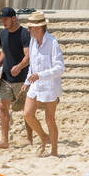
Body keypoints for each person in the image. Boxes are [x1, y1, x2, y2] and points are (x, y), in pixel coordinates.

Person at [0, 7, 32, 150]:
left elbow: (28, 56)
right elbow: (4, 51)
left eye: (6, 19)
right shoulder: (3, 34)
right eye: (2, 20)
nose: (4, 22)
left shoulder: (25, 34)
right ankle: (4, 140)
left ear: (13, 18)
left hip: (23, 78)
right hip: (6, 77)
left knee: (27, 110)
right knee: (3, 107)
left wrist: (19, 66)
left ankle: (29, 138)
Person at [22, 11, 64, 157]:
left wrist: (39, 75)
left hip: (50, 86)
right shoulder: (33, 42)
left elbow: (60, 68)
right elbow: (32, 65)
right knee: (27, 114)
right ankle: (43, 137)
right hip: (35, 84)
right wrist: (27, 81)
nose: (28, 30)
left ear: (39, 28)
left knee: (50, 119)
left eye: (31, 28)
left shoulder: (52, 43)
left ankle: (54, 151)